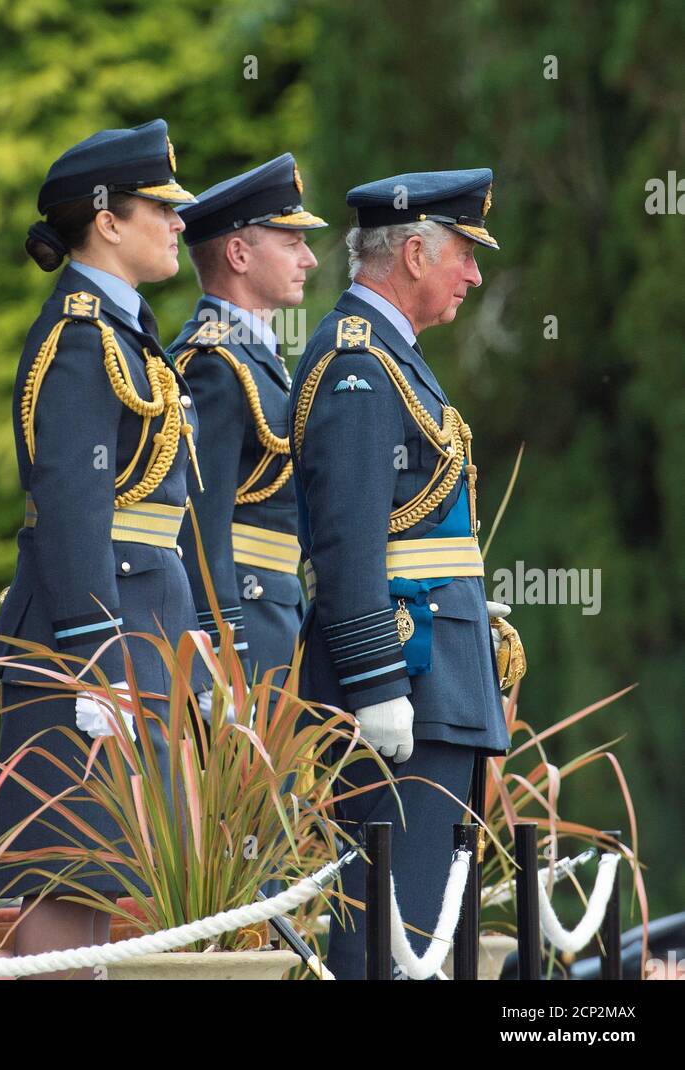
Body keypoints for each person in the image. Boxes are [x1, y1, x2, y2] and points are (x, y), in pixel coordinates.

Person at [0, 118, 209, 978]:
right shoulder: (82, 339)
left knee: (117, 882)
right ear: (108, 219)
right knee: (69, 878)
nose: (179, 223)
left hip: (137, 640)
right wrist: (94, 662)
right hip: (91, 649)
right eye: (162, 207)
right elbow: (72, 511)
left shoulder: (124, 334)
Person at [289, 169, 519, 980]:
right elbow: (348, 542)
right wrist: (375, 679)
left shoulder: (390, 356)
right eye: (464, 254)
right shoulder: (357, 362)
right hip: (403, 682)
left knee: (422, 931)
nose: (474, 275)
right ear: (414, 253)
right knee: (389, 940)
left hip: (435, 681)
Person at [167, 155, 326, 690]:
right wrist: (216, 663)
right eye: (290, 242)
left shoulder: (256, 359)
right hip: (245, 644)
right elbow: (197, 526)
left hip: (275, 622)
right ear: (238, 253)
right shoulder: (213, 364)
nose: (309, 259)